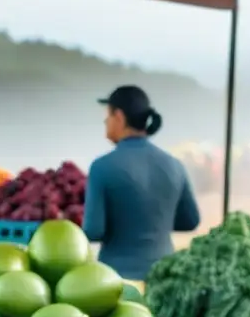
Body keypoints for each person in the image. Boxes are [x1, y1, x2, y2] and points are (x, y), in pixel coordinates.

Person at [83, 86, 200, 281]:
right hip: (164, 279)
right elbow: (190, 221)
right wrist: (155, 222)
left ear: (119, 116)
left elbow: (93, 231)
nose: (105, 121)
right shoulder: (174, 165)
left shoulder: (102, 167)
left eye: (107, 115)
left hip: (117, 281)